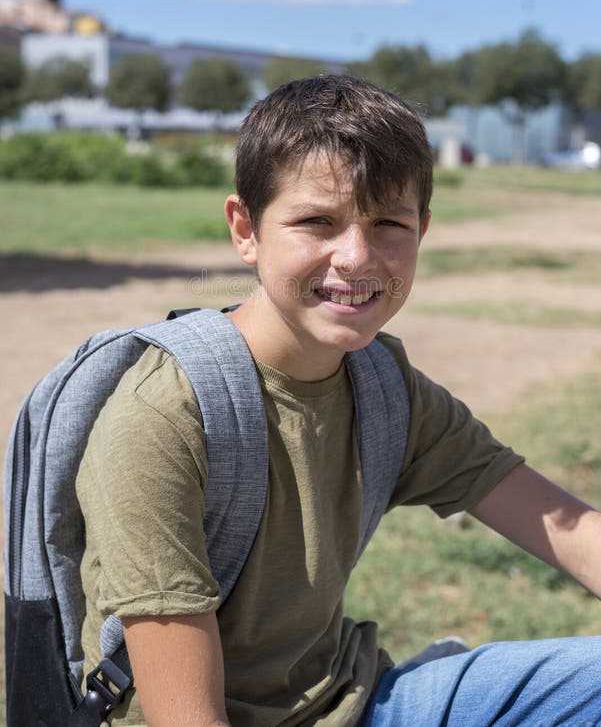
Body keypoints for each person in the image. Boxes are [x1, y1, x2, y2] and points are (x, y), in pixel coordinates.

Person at [76, 75, 601, 726]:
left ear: (422, 230)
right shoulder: (163, 415)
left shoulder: (382, 384)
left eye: (388, 224)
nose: (355, 257)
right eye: (315, 222)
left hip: (359, 705)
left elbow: (570, 528)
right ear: (245, 228)